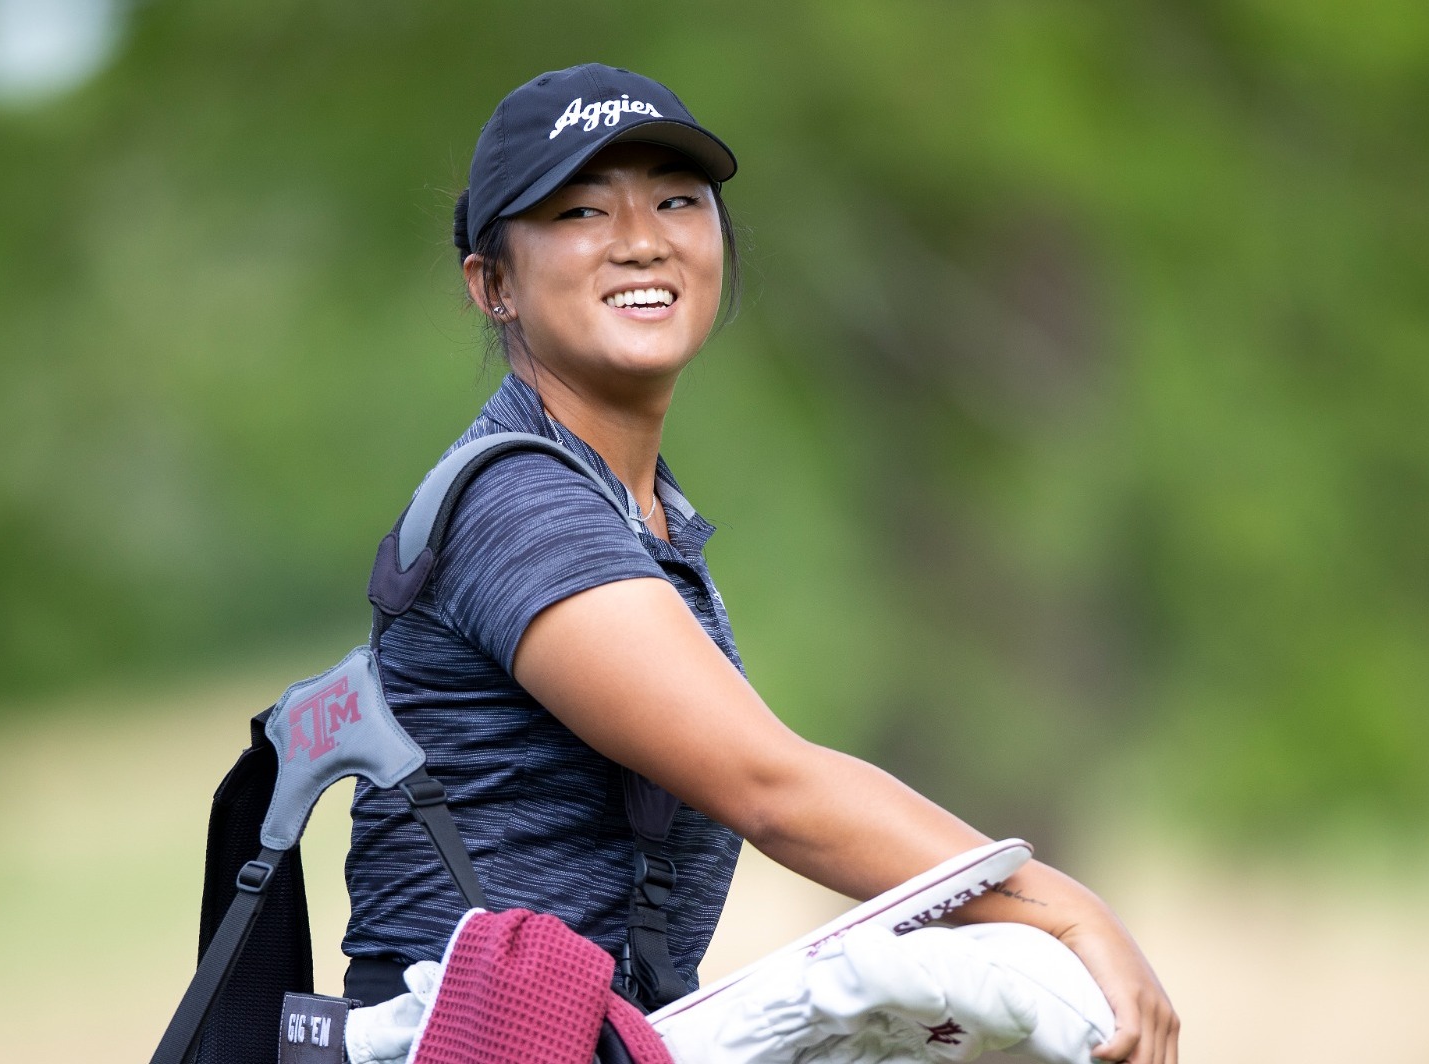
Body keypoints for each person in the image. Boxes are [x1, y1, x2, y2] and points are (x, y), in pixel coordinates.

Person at [341, 63, 1179, 1064]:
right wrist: (1065, 910)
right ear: (492, 284)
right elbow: (769, 784)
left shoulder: (637, 514)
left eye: (676, 199)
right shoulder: (521, 507)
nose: (641, 237)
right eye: (577, 210)